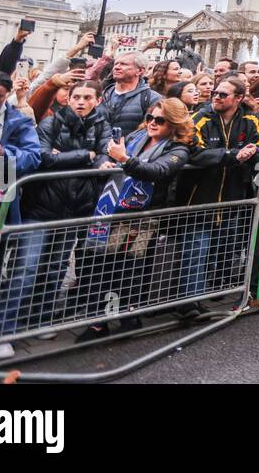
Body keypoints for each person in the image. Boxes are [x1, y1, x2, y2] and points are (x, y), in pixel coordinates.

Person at [0, 79, 117, 358]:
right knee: (26, 268)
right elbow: (45, 158)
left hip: (76, 209)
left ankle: (39, 320)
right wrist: (87, 154)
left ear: (97, 101)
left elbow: (106, 155)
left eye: (86, 97)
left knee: (56, 269)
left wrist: (91, 158)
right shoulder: (51, 123)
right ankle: (2, 330)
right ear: (67, 99)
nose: (80, 102)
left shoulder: (102, 125)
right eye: (76, 97)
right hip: (41, 208)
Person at [75, 98, 193, 340]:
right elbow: (105, 152)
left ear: (173, 123)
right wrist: (104, 161)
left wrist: (124, 160)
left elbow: (158, 172)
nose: (152, 123)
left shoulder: (178, 148)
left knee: (129, 269)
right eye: (150, 117)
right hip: (110, 210)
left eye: (160, 120)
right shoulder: (134, 137)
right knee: (98, 267)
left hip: (140, 218)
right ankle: (99, 321)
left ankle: (130, 315)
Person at [177, 74, 259, 312]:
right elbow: (194, 151)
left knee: (220, 251)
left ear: (238, 98)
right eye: (215, 92)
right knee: (196, 251)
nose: (216, 97)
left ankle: (212, 294)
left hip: (233, 196)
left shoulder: (250, 119)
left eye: (223, 94)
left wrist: (251, 153)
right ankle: (188, 303)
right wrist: (232, 155)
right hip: (200, 196)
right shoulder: (201, 117)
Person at [102, 53, 161, 137]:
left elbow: (148, 133)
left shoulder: (152, 98)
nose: (116, 67)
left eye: (123, 64)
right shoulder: (103, 94)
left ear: (140, 71)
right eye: (116, 64)